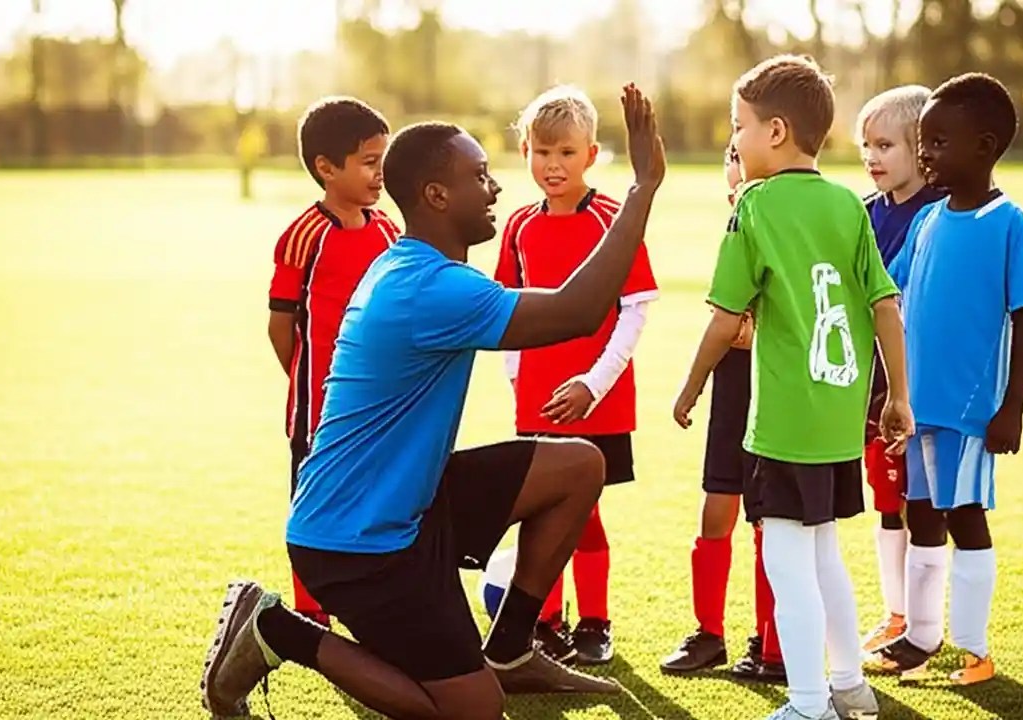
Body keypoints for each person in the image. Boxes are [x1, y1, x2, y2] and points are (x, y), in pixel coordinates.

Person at [201, 84, 667, 720]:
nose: (496, 187)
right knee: (472, 712)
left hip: (409, 506)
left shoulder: (421, 267)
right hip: (357, 543)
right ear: (437, 196)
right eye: (480, 175)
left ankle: (507, 648)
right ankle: (277, 630)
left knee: (580, 465)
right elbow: (581, 312)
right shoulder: (432, 289)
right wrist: (642, 189)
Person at [672, 55, 912, 720]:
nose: (735, 141)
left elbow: (724, 320)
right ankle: (847, 685)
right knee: (824, 551)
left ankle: (808, 703)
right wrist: (896, 396)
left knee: (785, 558)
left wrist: (690, 388)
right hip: (836, 419)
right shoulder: (845, 203)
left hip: (782, 421)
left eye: (738, 127)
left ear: (775, 132)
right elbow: (884, 307)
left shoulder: (755, 205)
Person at [875, 72, 1023, 687]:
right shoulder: (926, 222)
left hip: (972, 411)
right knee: (921, 512)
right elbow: (890, 298)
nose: (926, 154)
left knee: (964, 516)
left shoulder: (1009, 224)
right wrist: (890, 391)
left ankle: (976, 651)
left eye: (939, 142)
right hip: (920, 406)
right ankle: (922, 637)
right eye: (923, 142)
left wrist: (1013, 408)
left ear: (985, 145)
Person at [494, 86, 659, 666]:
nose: (552, 165)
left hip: (598, 400)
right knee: (537, 513)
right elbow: (508, 312)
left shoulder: (614, 219)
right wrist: (519, 383)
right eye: (542, 152)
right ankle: (542, 622)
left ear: (591, 154)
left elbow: (636, 308)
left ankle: (594, 621)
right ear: (525, 151)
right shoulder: (517, 226)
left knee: (584, 515)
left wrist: (594, 381)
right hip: (536, 401)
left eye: (565, 153)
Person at [266, 97, 400, 626]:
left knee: (378, 504)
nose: (380, 173)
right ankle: (311, 613)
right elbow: (281, 326)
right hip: (318, 411)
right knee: (314, 508)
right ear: (326, 168)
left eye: (382, 159)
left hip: (380, 407)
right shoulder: (304, 236)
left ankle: (374, 609)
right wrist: (308, 382)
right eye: (369, 162)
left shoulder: (389, 230)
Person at [660, 142, 785, 683]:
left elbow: (741, 322)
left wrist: (691, 383)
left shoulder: (778, 222)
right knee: (717, 507)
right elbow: (727, 321)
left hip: (775, 395)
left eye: (741, 152)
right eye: (727, 154)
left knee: (769, 520)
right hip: (733, 391)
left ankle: (773, 645)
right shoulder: (734, 224)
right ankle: (709, 634)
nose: (732, 165)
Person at [853, 84, 946, 654]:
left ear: (920, 147)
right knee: (886, 501)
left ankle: (924, 625)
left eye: (885, 144)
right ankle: (895, 615)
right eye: (865, 144)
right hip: (871, 387)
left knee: (924, 504)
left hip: (919, 386)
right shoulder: (861, 214)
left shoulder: (938, 216)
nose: (872, 156)